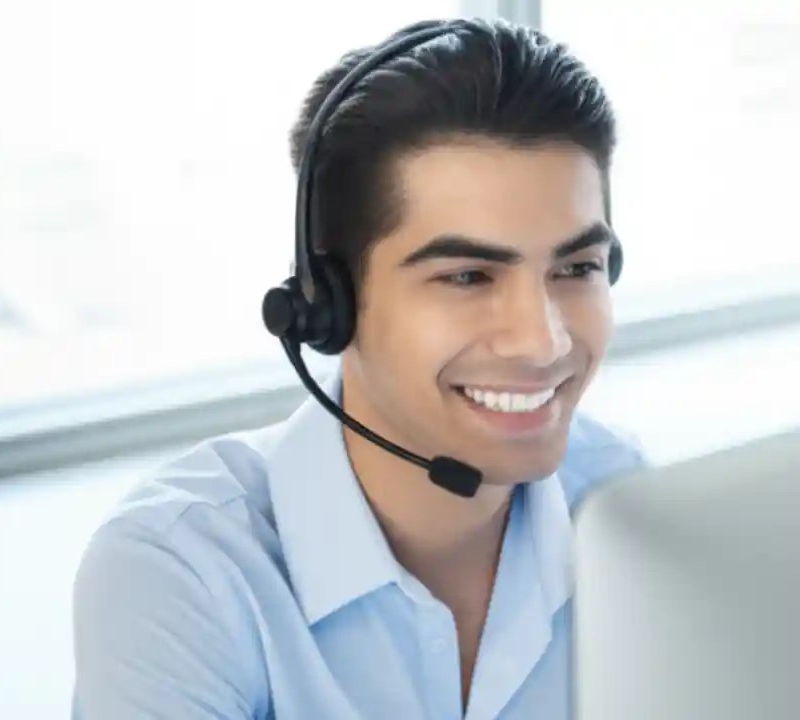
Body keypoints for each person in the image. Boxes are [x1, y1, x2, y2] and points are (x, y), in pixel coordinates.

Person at [71, 17, 646, 719]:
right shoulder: (183, 572)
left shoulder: (624, 508)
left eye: (577, 267)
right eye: (468, 277)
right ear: (326, 306)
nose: (542, 341)